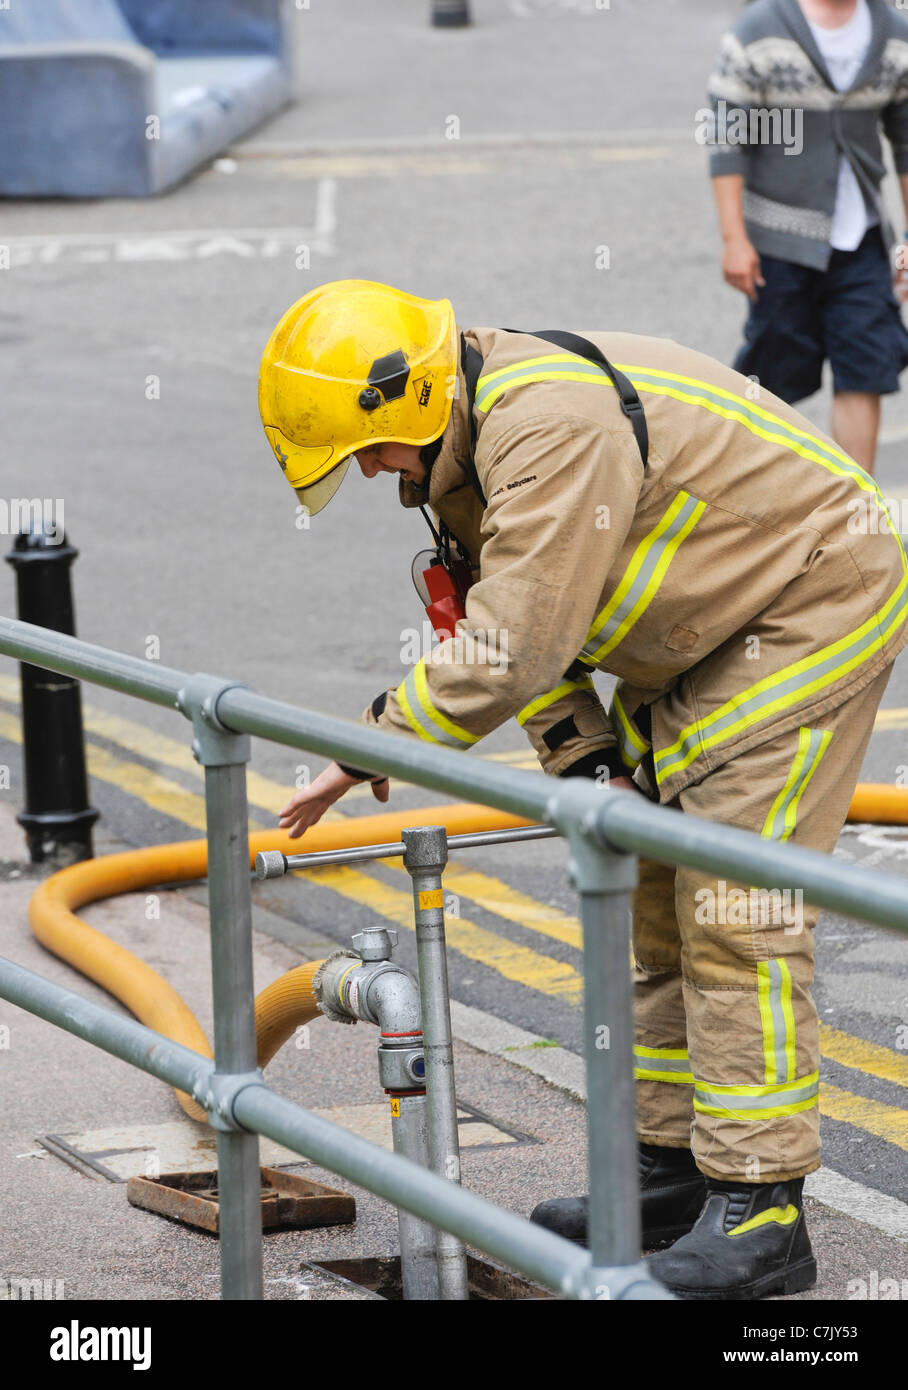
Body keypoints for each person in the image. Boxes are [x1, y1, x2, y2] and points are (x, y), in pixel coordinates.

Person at [258, 278, 907, 1299]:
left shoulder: (543, 427)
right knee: (652, 891)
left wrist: (368, 746)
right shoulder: (462, 452)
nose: (377, 478)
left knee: (732, 907)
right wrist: (593, 772)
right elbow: (526, 636)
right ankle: (666, 1175)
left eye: (368, 451)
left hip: (807, 603)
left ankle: (761, 1210)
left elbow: (514, 639)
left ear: (414, 400)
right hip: (706, 635)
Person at [709, 0, 908, 475]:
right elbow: (726, 142)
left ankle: (852, 510)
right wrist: (734, 239)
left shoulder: (893, 33)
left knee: (864, 367)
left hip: (862, 239)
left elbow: (905, 144)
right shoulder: (760, 30)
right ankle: (765, 505)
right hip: (777, 240)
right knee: (775, 371)